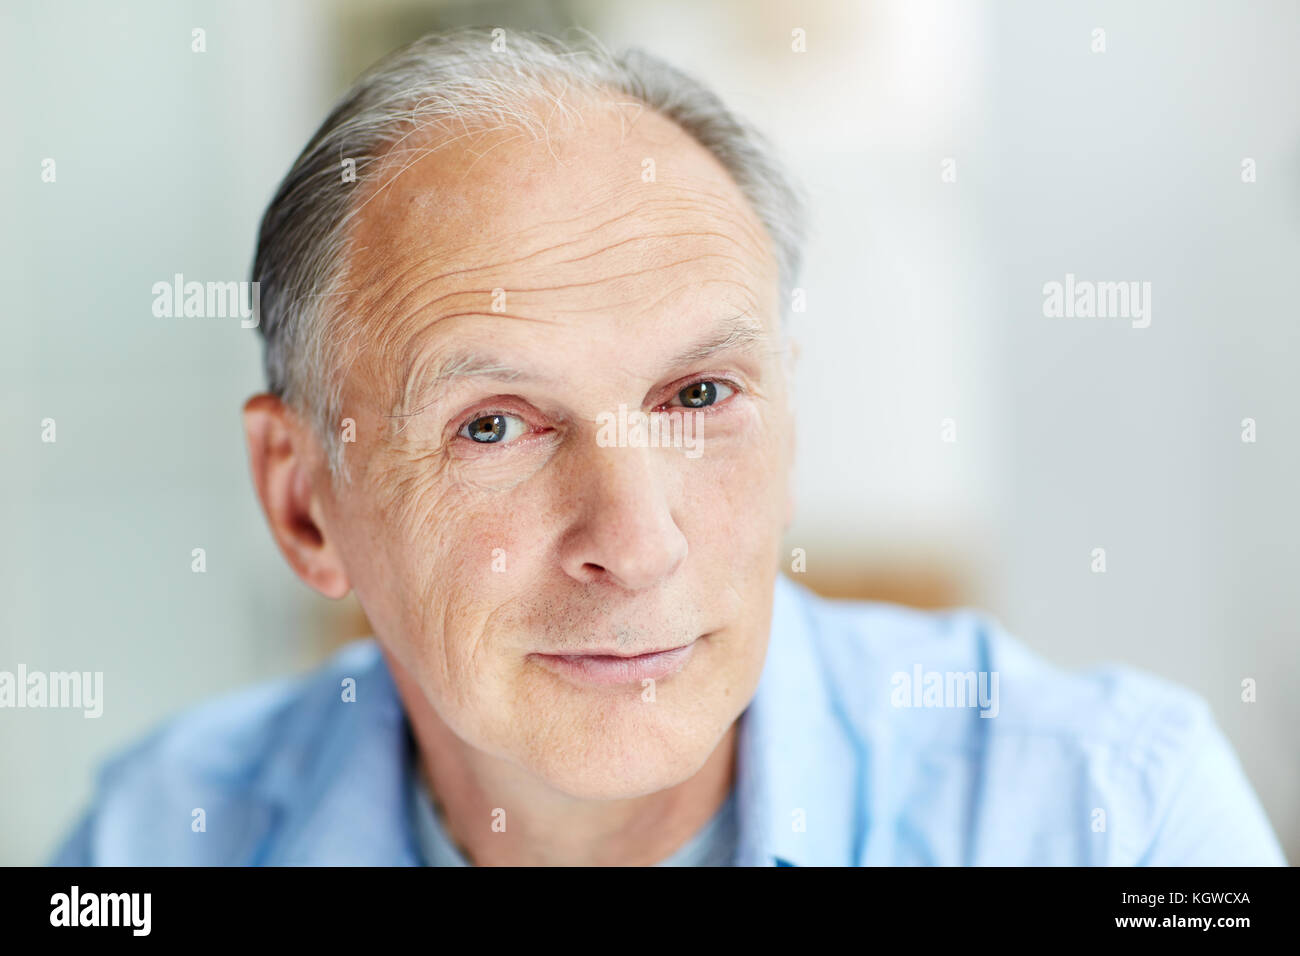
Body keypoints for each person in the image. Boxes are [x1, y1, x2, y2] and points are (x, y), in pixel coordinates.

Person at [51, 27, 1286, 866]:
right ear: (304, 501)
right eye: (492, 424)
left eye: (700, 393)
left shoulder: (1112, 817)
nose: (636, 544)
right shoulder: (155, 838)